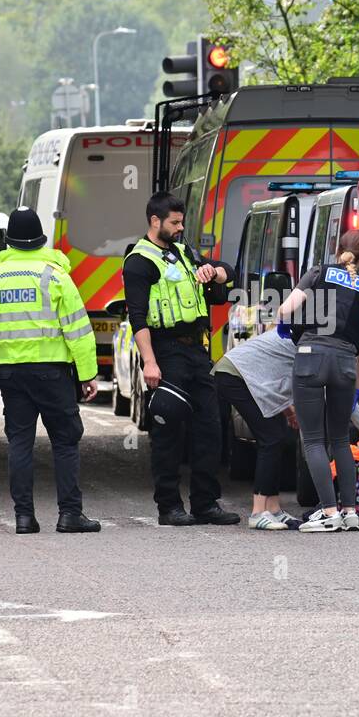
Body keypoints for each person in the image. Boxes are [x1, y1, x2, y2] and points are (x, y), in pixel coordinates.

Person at [0, 208, 100, 534]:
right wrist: (87, 375)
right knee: (65, 441)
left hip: (11, 376)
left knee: (20, 443)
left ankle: (24, 518)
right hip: (52, 373)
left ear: (8, 240)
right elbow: (78, 331)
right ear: (41, 239)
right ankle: (70, 515)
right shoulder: (55, 276)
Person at [121, 192, 239, 527]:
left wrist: (213, 273)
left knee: (210, 427)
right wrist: (149, 362)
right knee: (168, 431)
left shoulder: (184, 253)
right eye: (174, 222)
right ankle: (169, 506)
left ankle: (205, 503)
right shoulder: (139, 261)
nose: (180, 227)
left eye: (181, 221)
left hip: (197, 352)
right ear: (155, 221)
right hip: (166, 351)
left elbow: (229, 271)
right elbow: (138, 318)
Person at [214, 326, 359, 529]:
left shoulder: (312, 337)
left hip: (246, 376)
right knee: (271, 438)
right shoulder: (315, 348)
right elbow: (338, 397)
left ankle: (273, 509)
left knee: (277, 436)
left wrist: (289, 412)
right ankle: (258, 513)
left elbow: (272, 375)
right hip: (235, 375)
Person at [278, 229, 359, 532]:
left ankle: (329, 512)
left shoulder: (318, 273)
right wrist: (356, 389)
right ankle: (349, 512)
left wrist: (285, 324)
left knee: (313, 440)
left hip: (311, 357)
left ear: (338, 250)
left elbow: (285, 309)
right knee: (340, 440)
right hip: (345, 364)